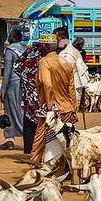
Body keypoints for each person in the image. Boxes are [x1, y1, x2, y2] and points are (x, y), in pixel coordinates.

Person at [32, 33, 77, 163]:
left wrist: (51, 108)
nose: (38, 49)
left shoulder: (43, 62)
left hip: (51, 110)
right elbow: (71, 89)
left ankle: (35, 168)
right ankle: (62, 169)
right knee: (64, 140)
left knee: (40, 141)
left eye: (40, 46)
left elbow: (47, 84)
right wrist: (73, 108)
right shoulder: (66, 63)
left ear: (46, 46)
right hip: (67, 108)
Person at [0, 29, 26, 150]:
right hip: (25, 84)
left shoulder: (10, 51)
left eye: (9, 36)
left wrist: (3, 90)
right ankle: (28, 136)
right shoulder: (24, 49)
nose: (8, 38)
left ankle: (10, 139)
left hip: (13, 84)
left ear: (13, 38)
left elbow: (7, 72)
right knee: (23, 110)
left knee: (9, 111)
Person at [57, 26, 89, 113]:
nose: (54, 41)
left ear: (62, 38)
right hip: (75, 91)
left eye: (56, 38)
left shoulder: (66, 55)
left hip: (67, 93)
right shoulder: (75, 52)